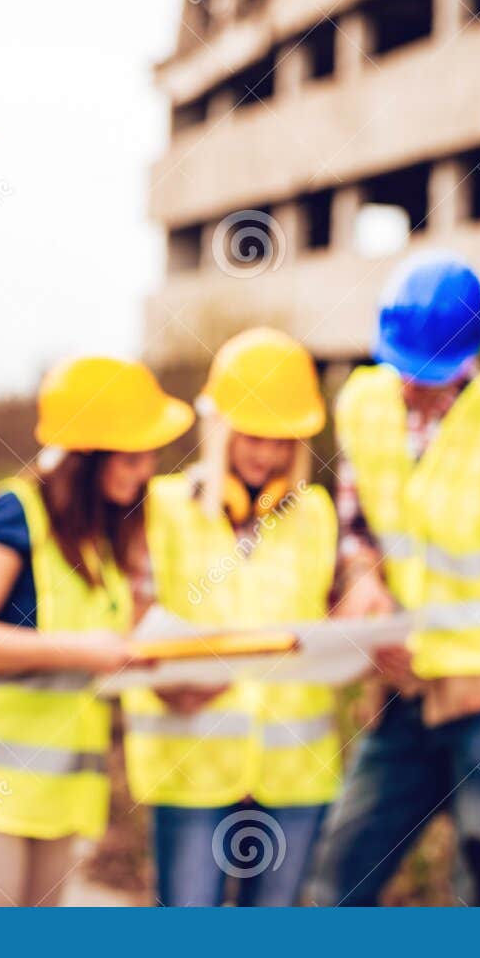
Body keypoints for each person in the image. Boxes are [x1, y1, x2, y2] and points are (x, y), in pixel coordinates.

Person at [310, 249, 480, 906]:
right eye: (397, 367)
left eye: (423, 374)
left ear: (468, 358)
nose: (406, 385)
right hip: (405, 693)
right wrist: (362, 578)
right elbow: (358, 532)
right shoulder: (362, 408)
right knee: (332, 884)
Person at [0, 356, 193, 906]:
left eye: (151, 453)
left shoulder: (103, 538)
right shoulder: (18, 514)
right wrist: (83, 651)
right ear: (87, 457)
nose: (147, 468)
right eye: (133, 454)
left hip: (51, 794)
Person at [122, 328, 342, 906]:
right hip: (193, 761)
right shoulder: (165, 507)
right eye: (253, 437)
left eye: (281, 441)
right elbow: (132, 619)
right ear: (220, 428)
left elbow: (337, 612)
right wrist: (165, 683)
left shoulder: (317, 514)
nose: (267, 454)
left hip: (295, 770)